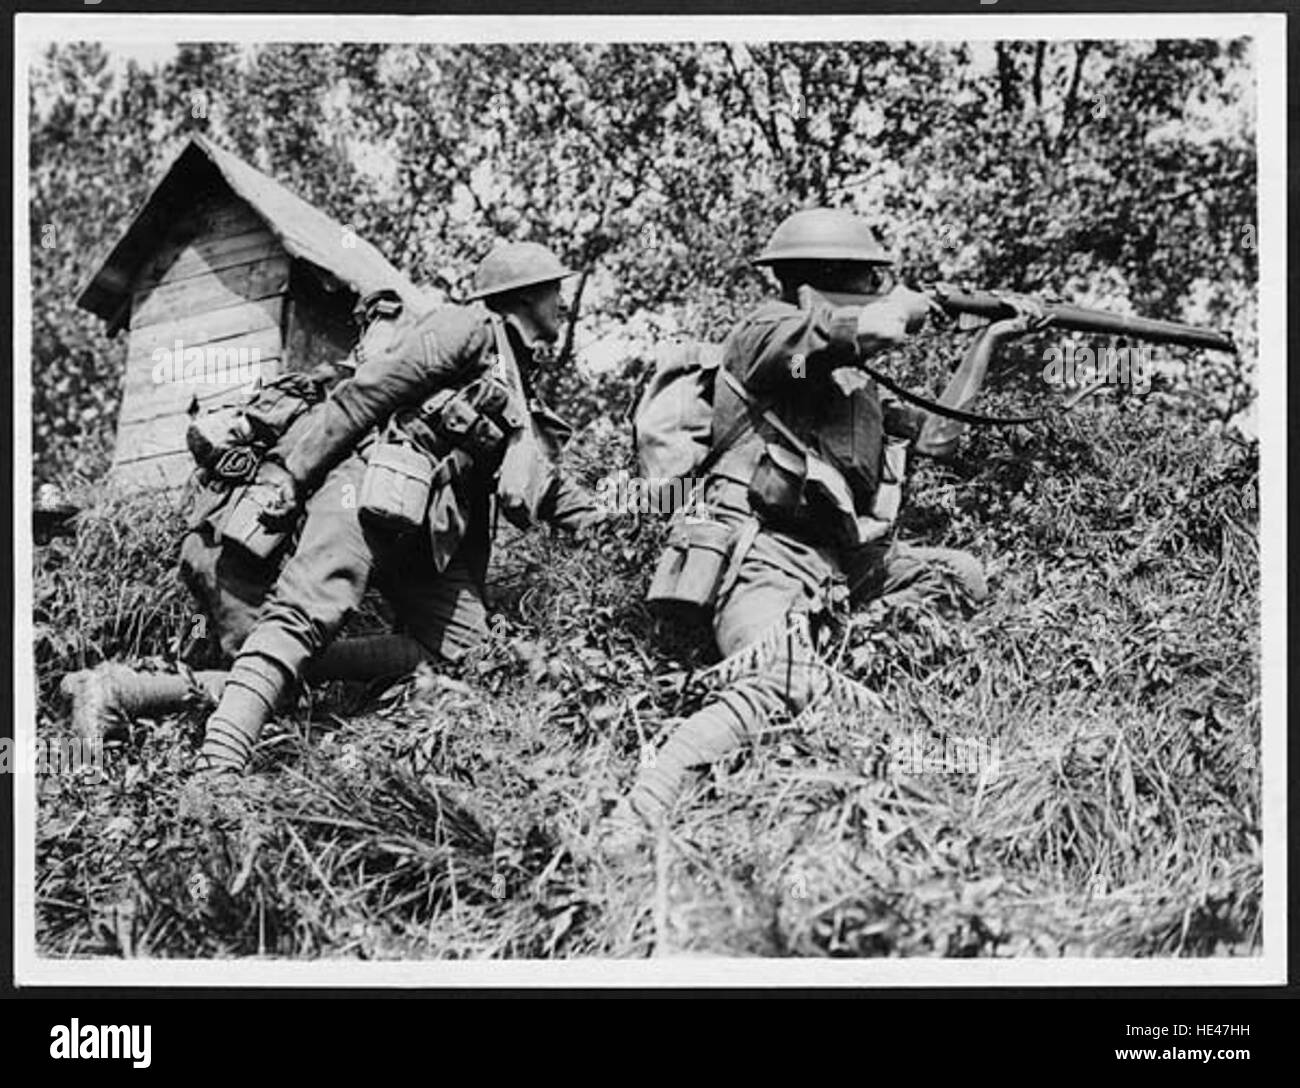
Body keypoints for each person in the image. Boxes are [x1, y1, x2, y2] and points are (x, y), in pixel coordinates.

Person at [615, 207, 1042, 831]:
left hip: (841, 565)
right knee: (778, 679)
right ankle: (636, 819)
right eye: (870, 278)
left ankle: (862, 690)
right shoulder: (767, 333)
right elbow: (864, 329)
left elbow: (941, 440)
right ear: (821, 280)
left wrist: (988, 340)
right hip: (760, 554)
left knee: (960, 576)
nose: (879, 288)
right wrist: (915, 305)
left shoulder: (849, 383)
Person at [194, 241, 600, 775]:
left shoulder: (518, 378)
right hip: (368, 487)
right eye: (554, 289)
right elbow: (367, 393)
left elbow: (536, 480)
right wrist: (295, 474)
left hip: (428, 531)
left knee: (466, 655)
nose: (561, 302)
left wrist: (600, 524)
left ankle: (186, 688)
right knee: (305, 612)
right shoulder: (466, 328)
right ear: (523, 295)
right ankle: (217, 766)